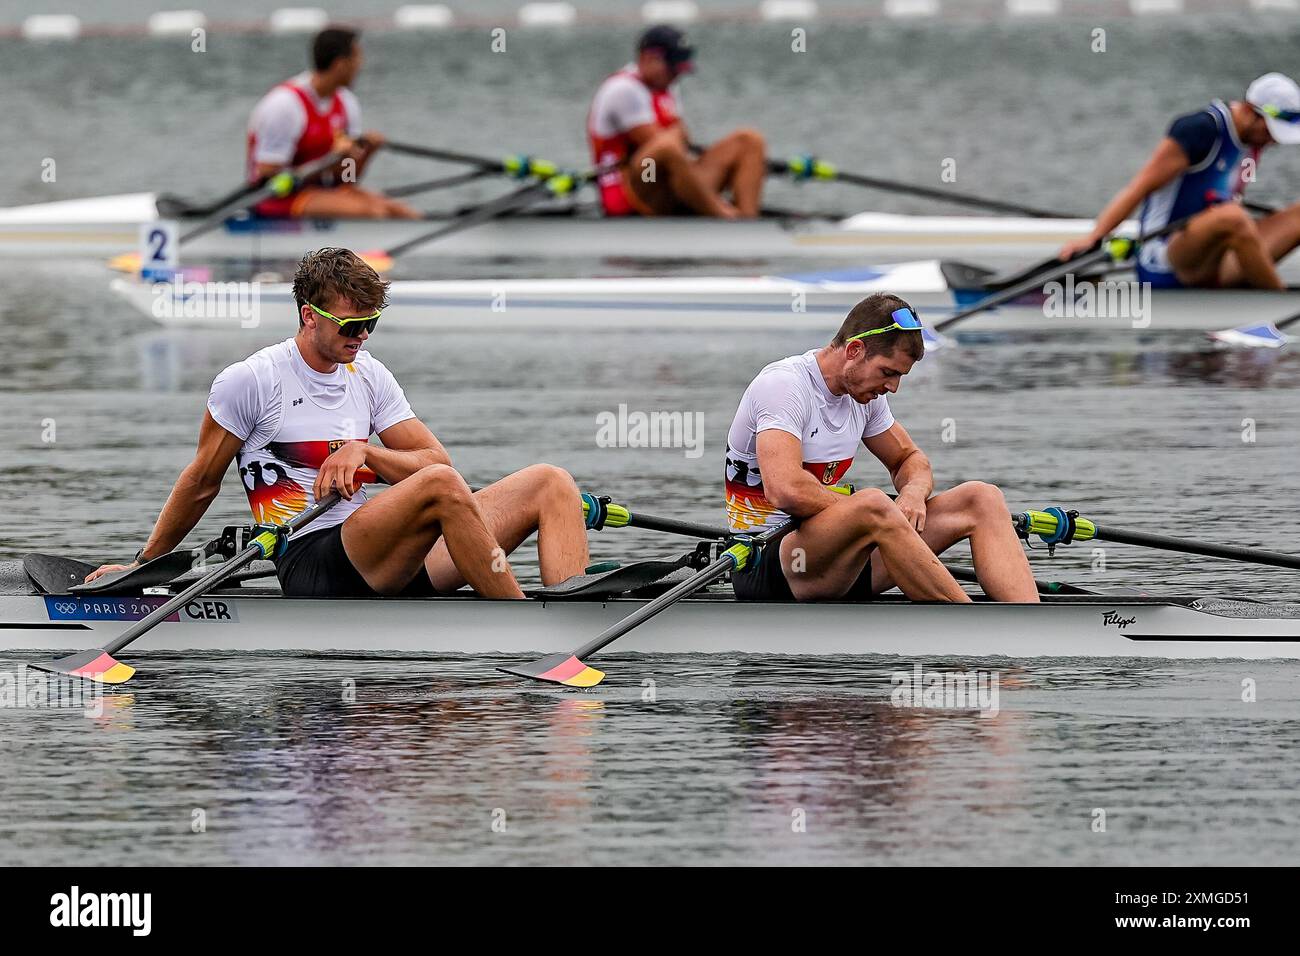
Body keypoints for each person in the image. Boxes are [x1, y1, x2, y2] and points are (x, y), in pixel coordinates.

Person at [86, 248, 589, 598]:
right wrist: (144, 564)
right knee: (438, 486)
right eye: (352, 325)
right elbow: (200, 483)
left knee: (549, 481)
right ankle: (524, 625)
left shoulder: (368, 374)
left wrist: (366, 452)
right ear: (309, 315)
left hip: (382, 556)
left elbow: (436, 459)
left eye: (372, 323)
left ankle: (573, 617)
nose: (363, 335)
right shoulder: (251, 381)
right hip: (311, 559)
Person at [724, 293, 1039, 604]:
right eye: (888, 373)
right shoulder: (784, 386)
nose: (892, 387)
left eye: (899, 376)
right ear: (855, 350)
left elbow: (909, 460)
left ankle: (1031, 623)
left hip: (841, 558)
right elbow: (785, 490)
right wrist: (877, 511)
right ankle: (980, 629)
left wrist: (912, 495)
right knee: (873, 503)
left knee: (981, 498)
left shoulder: (865, 396)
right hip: (769, 563)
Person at [1060, 72, 1300, 289]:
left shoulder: (1252, 142)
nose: (1273, 141)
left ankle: (1268, 297)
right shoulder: (1199, 130)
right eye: (1269, 131)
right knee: (1233, 218)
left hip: (1216, 257)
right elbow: (1138, 188)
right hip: (1165, 259)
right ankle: (1277, 301)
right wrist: (1094, 239)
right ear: (1249, 111)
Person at [587, 24, 766, 219]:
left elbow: (683, 138)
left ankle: (749, 221)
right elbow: (662, 145)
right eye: (672, 70)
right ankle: (725, 216)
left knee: (749, 140)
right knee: (666, 147)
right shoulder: (623, 89)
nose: (677, 76)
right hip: (634, 190)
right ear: (648, 58)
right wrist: (676, 137)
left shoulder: (665, 84)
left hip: (669, 184)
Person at [246, 26, 420, 219]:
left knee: (402, 212)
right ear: (340, 65)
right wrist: (331, 158)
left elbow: (347, 177)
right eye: (356, 59)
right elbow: (268, 174)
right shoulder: (285, 105)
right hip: (276, 199)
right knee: (373, 212)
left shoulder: (347, 103)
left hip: (320, 190)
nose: (360, 65)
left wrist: (367, 152)